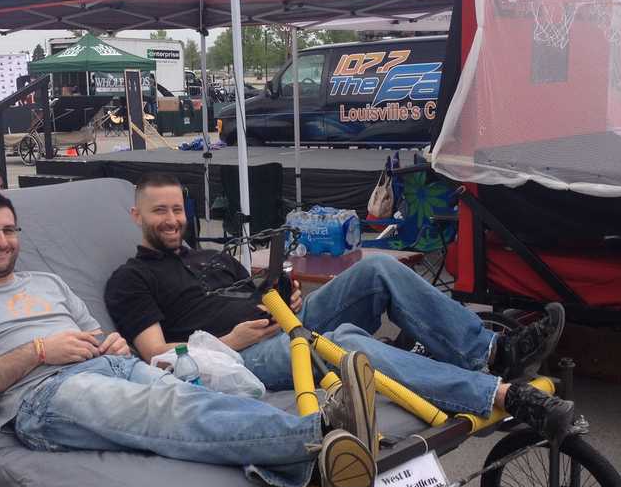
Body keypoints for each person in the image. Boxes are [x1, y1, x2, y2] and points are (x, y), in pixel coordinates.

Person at [0, 191, 379, 487]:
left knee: (193, 394)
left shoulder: (47, 282)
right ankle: (319, 434)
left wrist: (113, 344)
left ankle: (317, 448)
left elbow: (101, 336)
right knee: (164, 411)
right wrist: (39, 351)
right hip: (43, 397)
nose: (1, 241)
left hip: (107, 366)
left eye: (8, 230)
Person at [106, 173, 577, 445]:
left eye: (176, 210)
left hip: (282, 326)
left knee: (378, 270)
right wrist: (232, 342)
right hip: (237, 358)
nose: (171, 220)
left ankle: (493, 350)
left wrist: (284, 298)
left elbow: (252, 296)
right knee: (344, 341)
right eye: (158, 212)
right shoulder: (131, 279)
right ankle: (503, 395)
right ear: (136, 217)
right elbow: (155, 354)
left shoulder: (211, 256)